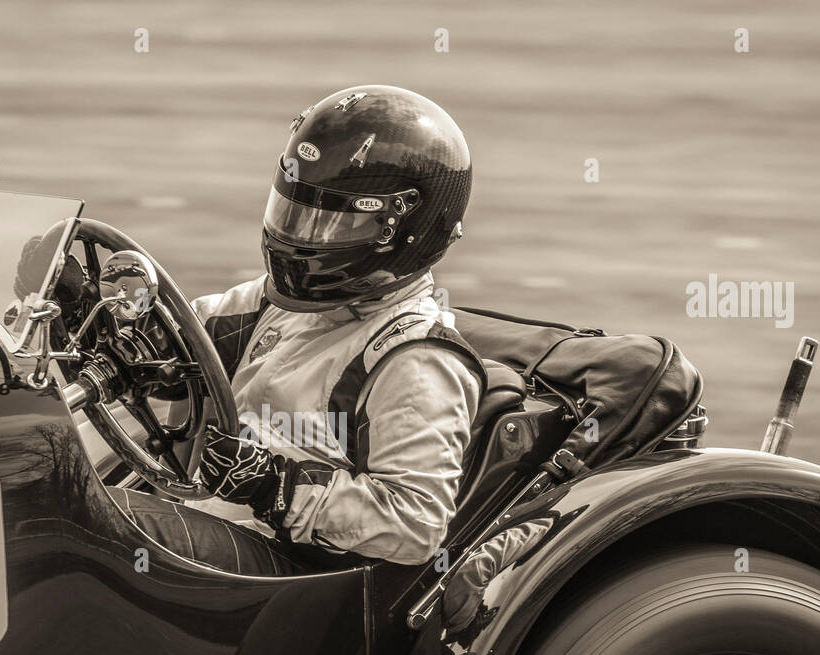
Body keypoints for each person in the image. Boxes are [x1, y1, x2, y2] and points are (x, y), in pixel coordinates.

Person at [36, 86, 487, 574]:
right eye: (297, 213)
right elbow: (182, 330)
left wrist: (275, 484)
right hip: (214, 522)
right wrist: (94, 311)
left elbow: (414, 525)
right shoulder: (280, 304)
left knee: (85, 521)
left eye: (334, 225)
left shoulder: (414, 359)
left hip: (290, 567)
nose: (304, 238)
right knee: (38, 476)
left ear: (402, 230)